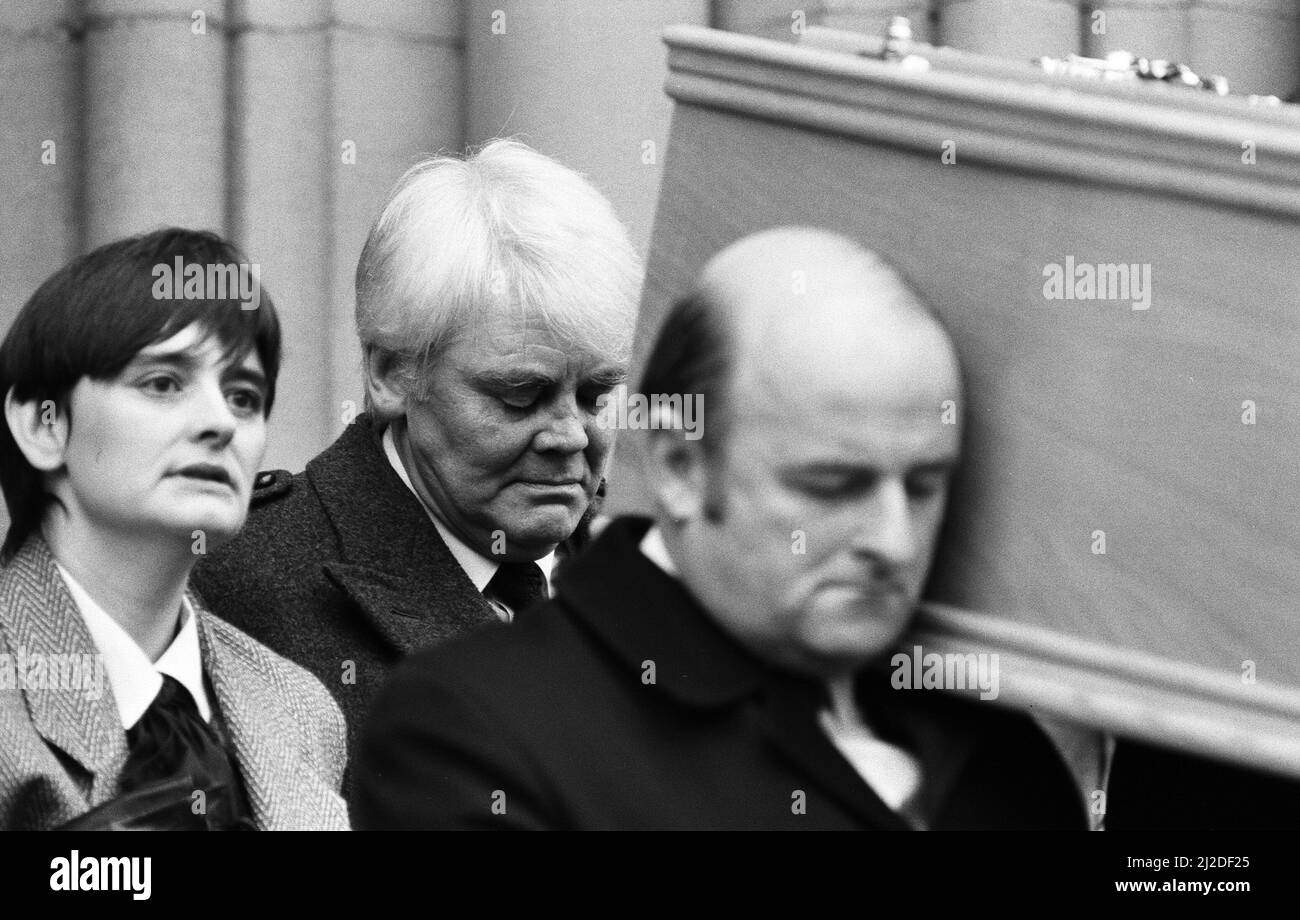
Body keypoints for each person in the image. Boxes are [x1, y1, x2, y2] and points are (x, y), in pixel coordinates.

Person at [353, 227, 1087, 830]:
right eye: (833, 485)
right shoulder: (474, 730)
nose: (893, 543)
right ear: (680, 465)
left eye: (924, 487)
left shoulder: (1002, 751)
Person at [191, 139, 642, 800]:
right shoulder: (235, 590)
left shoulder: (654, 581)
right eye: (521, 396)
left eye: (598, 395)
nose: (572, 435)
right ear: (391, 376)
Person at [0, 228, 348, 830]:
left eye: (244, 396)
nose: (220, 422)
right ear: (43, 425)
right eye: (162, 383)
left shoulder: (302, 709)